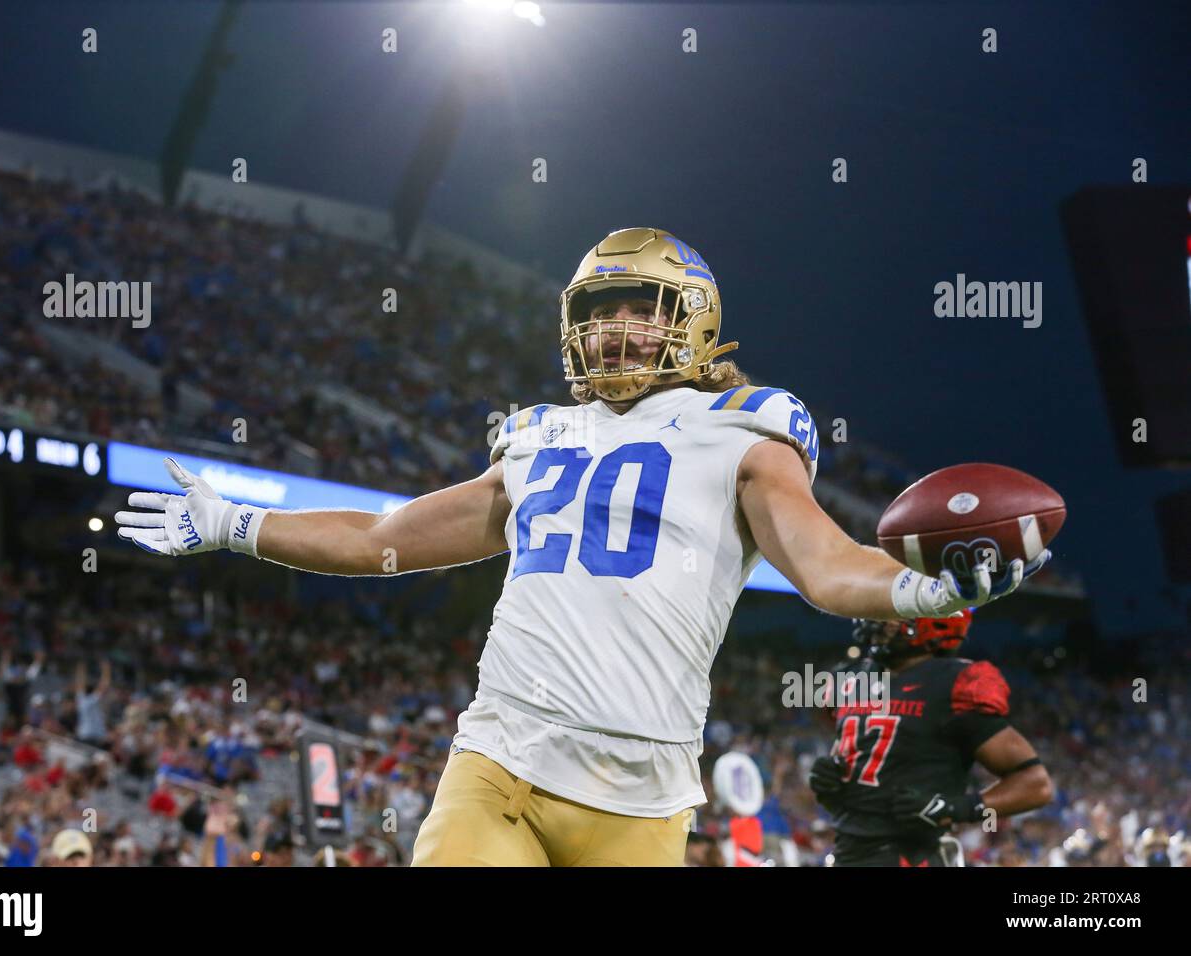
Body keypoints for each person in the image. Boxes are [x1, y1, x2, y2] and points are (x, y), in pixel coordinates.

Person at [116, 227, 1048, 866]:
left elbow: (828, 566)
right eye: (597, 310)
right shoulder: (535, 437)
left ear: (692, 316)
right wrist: (238, 522)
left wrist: (928, 593)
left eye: (639, 306)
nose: (613, 328)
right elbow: (381, 538)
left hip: (643, 796)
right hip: (504, 761)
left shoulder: (746, 432)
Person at [808, 612, 1054, 866]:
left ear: (934, 620)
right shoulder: (853, 677)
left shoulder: (952, 682)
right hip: (848, 854)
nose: (879, 618)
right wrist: (832, 785)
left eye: (894, 613)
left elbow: (1036, 785)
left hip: (909, 857)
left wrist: (954, 809)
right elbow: (872, 770)